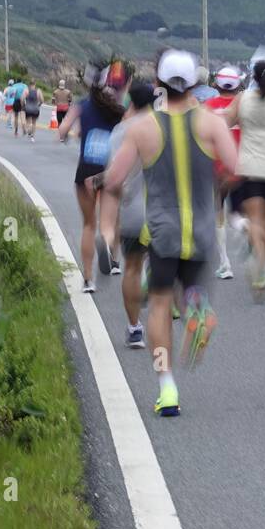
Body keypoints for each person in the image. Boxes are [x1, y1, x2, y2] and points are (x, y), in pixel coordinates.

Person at [103, 50, 238, 417]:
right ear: (195, 82)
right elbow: (235, 168)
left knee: (160, 304)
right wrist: (214, 180)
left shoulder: (144, 128)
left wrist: (118, 189)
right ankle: (199, 309)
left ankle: (167, 388)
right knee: (192, 291)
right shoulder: (211, 124)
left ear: (159, 83)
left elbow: (114, 179)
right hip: (202, 233)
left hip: (161, 233)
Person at [222, 58, 265, 298]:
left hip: (249, 168)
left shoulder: (241, 100)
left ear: (252, 78)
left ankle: (259, 265)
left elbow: (224, 124)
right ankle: (264, 267)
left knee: (254, 220)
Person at [58, 60, 129, 294]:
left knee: (88, 225)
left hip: (86, 169)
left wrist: (69, 136)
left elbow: (62, 129)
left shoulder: (82, 105)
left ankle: (88, 279)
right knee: (108, 223)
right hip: (109, 169)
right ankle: (108, 244)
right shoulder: (118, 108)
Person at [97, 81, 158, 349]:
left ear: (130, 101)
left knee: (131, 267)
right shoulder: (165, 127)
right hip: (164, 210)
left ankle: (135, 329)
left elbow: (112, 174)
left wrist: (100, 182)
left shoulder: (120, 132)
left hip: (133, 210)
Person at [205, 64, 246, 280]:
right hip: (242, 165)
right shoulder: (243, 106)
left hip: (215, 166)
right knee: (237, 213)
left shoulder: (208, 106)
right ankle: (244, 228)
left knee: (217, 213)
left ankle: (225, 262)